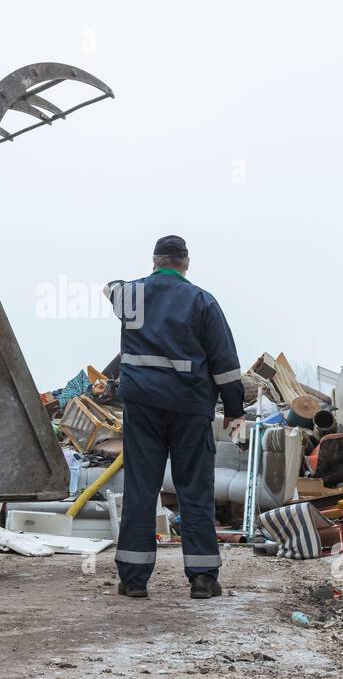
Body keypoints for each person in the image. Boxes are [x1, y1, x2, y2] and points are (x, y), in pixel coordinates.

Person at [103, 235, 243, 600]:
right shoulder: (202, 301)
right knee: (194, 491)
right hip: (190, 410)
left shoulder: (131, 296)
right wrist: (234, 409)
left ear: (154, 261)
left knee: (140, 490)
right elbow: (226, 365)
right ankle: (202, 579)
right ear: (186, 263)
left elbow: (109, 288)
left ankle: (133, 580)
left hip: (143, 409)